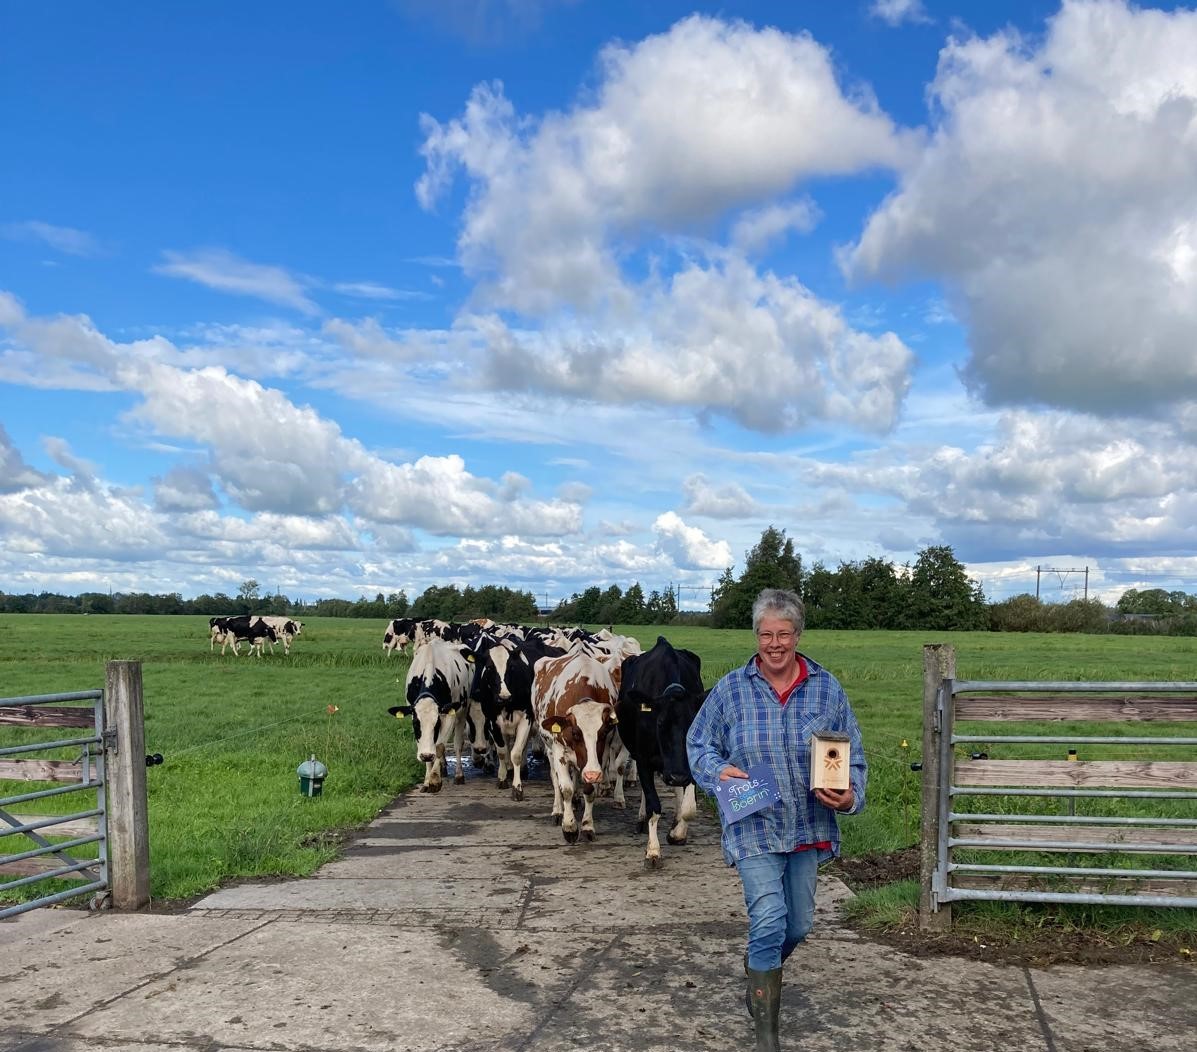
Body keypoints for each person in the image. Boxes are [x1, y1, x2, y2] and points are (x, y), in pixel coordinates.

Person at [686, 588, 867, 1052]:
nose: (774, 643)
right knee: (768, 920)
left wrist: (848, 797)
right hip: (754, 824)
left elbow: (855, 758)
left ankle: (758, 971)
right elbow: (698, 744)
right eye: (766, 634)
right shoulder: (730, 690)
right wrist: (716, 770)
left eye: (783, 634)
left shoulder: (827, 689)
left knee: (799, 925)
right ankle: (767, 1037)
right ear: (756, 636)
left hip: (808, 825)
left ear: (798, 635)